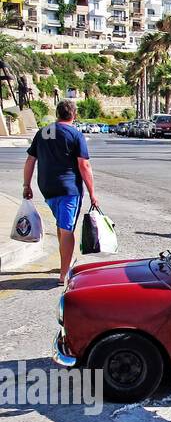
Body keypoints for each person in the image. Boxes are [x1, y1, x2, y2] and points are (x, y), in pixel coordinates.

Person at [23, 100, 100, 284]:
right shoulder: (75, 134)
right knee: (67, 230)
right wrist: (92, 193)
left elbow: (30, 161)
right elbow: (84, 165)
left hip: (47, 188)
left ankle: (64, 262)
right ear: (74, 114)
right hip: (68, 189)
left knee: (61, 224)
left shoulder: (42, 133)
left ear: (58, 114)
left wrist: (26, 185)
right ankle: (64, 274)